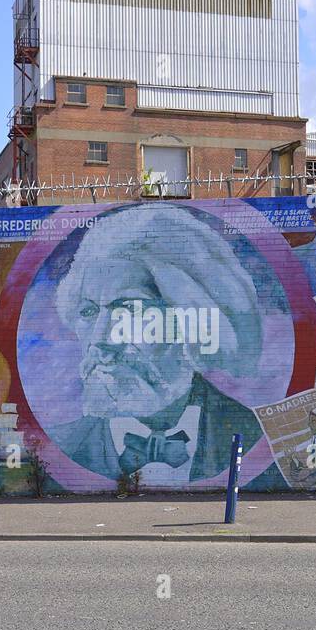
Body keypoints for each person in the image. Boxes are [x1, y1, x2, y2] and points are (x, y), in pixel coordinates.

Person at [48, 202, 268, 486]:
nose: (101, 340)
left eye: (129, 309)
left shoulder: (256, 436)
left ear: (190, 320)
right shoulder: (60, 447)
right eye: (89, 312)